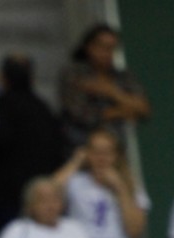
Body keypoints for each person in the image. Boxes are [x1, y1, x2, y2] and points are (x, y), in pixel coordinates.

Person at [0, 53, 66, 238]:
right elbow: (58, 148)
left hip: (10, 193)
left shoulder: (2, 103)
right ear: (32, 79)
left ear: (2, 78)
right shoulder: (44, 108)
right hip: (38, 190)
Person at [50, 127, 147, 238]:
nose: (101, 158)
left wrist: (120, 188)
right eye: (96, 152)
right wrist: (75, 162)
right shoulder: (76, 182)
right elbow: (47, 192)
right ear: (87, 153)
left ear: (116, 155)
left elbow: (135, 231)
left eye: (107, 153)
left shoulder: (130, 184)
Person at [57, 23, 150, 153]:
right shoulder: (74, 74)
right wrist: (122, 111)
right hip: (81, 150)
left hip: (116, 150)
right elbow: (82, 115)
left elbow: (144, 108)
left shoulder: (122, 77)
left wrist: (112, 92)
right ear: (89, 47)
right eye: (102, 47)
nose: (107, 53)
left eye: (112, 48)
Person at [0, 176, 89, 238]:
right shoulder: (17, 232)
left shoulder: (75, 229)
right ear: (30, 205)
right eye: (43, 200)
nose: (50, 206)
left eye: (55, 199)